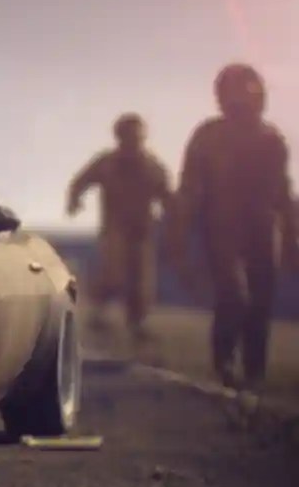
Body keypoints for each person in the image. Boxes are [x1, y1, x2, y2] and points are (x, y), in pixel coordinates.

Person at [174, 63, 298, 391]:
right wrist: (180, 234)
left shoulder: (272, 138)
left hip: (262, 228)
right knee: (232, 296)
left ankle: (254, 370)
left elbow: (283, 191)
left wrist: (291, 234)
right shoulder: (208, 136)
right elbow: (189, 188)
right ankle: (225, 361)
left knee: (261, 301)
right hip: (221, 228)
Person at [66, 113, 178, 343]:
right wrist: (74, 200)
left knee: (141, 280)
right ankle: (97, 315)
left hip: (142, 231)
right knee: (112, 273)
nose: (131, 141)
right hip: (114, 229)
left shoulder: (151, 165)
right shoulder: (107, 162)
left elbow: (167, 195)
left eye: (135, 136)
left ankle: (137, 324)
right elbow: (81, 181)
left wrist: (174, 221)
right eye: (127, 136)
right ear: (119, 136)